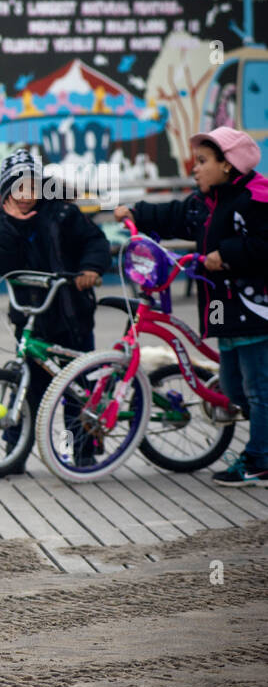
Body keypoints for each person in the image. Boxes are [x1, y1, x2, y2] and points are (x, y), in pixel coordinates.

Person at [114, 127, 268, 488]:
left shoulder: (256, 197)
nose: (195, 169)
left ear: (227, 165)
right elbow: (174, 215)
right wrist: (137, 212)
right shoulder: (205, 202)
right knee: (231, 389)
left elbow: (264, 244)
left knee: (258, 389)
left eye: (202, 161)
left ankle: (260, 460)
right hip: (219, 308)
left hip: (255, 310)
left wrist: (226, 255)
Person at [0, 148, 111, 470]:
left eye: (31, 186)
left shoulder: (62, 214)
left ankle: (83, 450)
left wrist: (90, 268)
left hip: (71, 315)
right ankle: (15, 450)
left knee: (78, 384)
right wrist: (12, 226)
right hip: (31, 319)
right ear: (6, 191)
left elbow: (95, 241)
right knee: (29, 387)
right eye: (17, 188)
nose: (25, 195)